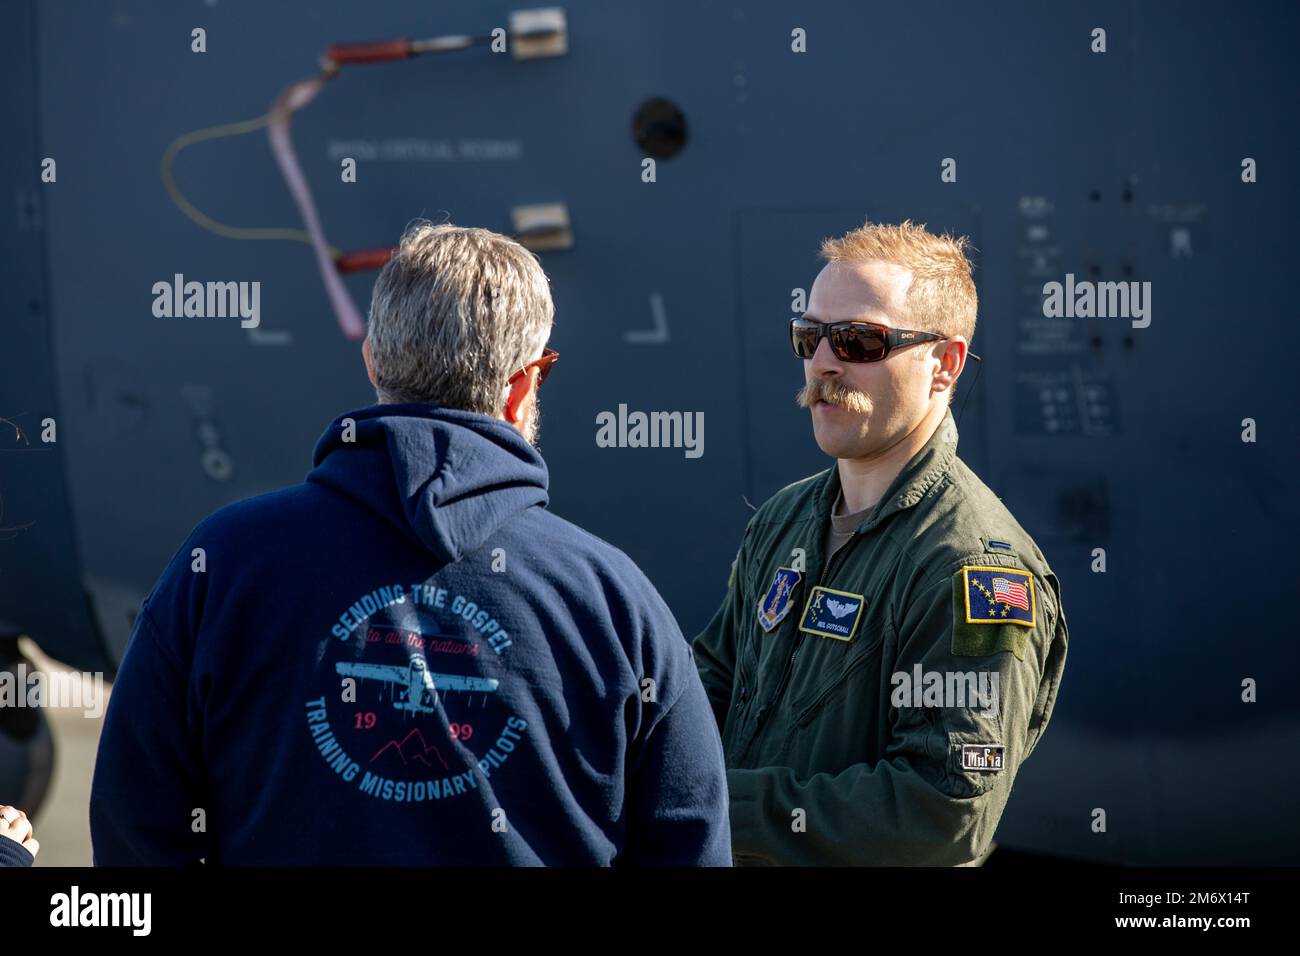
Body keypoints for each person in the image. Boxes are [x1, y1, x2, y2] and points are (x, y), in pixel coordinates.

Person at [91, 221, 730, 866]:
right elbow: (691, 839)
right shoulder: (615, 601)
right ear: (523, 385)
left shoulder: (220, 565)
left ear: (372, 359)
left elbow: (133, 828)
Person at [694, 219, 1069, 865]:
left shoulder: (971, 569)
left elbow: (943, 811)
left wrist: (706, 806)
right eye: (808, 336)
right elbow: (713, 684)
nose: (822, 362)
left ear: (944, 365)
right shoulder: (782, 520)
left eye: (860, 340)